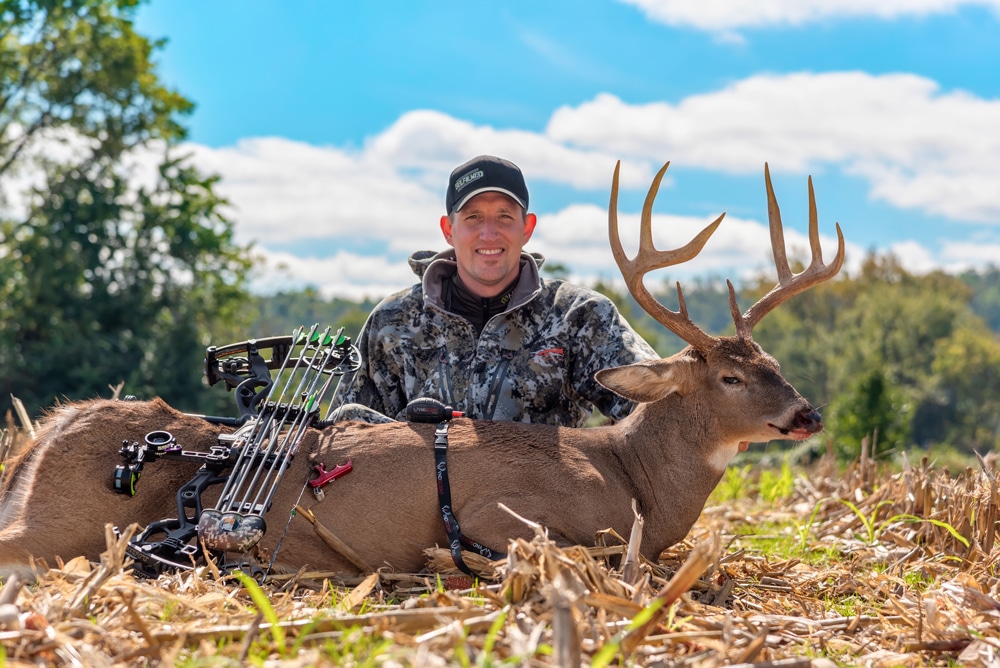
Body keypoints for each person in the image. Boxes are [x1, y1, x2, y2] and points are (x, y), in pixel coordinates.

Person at [331, 155, 658, 426]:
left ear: (527, 227)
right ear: (448, 229)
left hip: (544, 488)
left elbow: (658, 406)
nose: (489, 234)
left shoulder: (580, 315)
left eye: (504, 216)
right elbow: (345, 434)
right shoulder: (393, 321)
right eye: (473, 217)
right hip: (418, 488)